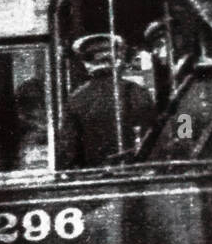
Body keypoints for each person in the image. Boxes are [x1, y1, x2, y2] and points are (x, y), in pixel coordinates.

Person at [58, 34, 156, 169]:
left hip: (95, 181)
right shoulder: (137, 92)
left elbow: (68, 151)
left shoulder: (77, 99)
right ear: (117, 60)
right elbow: (151, 139)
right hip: (135, 175)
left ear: (87, 64)